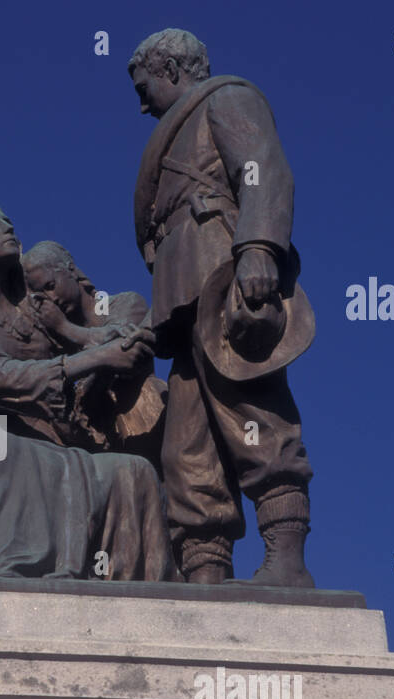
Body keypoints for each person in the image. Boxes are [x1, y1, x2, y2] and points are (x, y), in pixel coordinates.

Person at [0, 199, 176, 581]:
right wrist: (96, 359)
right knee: (7, 452)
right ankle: (11, 571)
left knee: (133, 471)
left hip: (50, 448)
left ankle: (135, 601)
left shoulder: (34, 317)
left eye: (7, 219)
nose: (7, 226)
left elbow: (99, 339)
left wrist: (109, 347)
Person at [129, 27, 315, 587]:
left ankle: (287, 561)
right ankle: (205, 571)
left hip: (225, 283)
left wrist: (258, 248)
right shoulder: (175, 126)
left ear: (172, 69)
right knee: (187, 443)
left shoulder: (228, 98)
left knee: (250, 411)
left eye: (144, 86)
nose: (141, 104)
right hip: (183, 299)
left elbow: (262, 170)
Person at [22, 240, 167, 462]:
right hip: (98, 449)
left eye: (50, 286)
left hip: (144, 424)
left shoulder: (124, 303)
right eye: (42, 296)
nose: (52, 299)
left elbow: (125, 350)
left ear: (70, 270)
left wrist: (64, 327)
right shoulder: (54, 346)